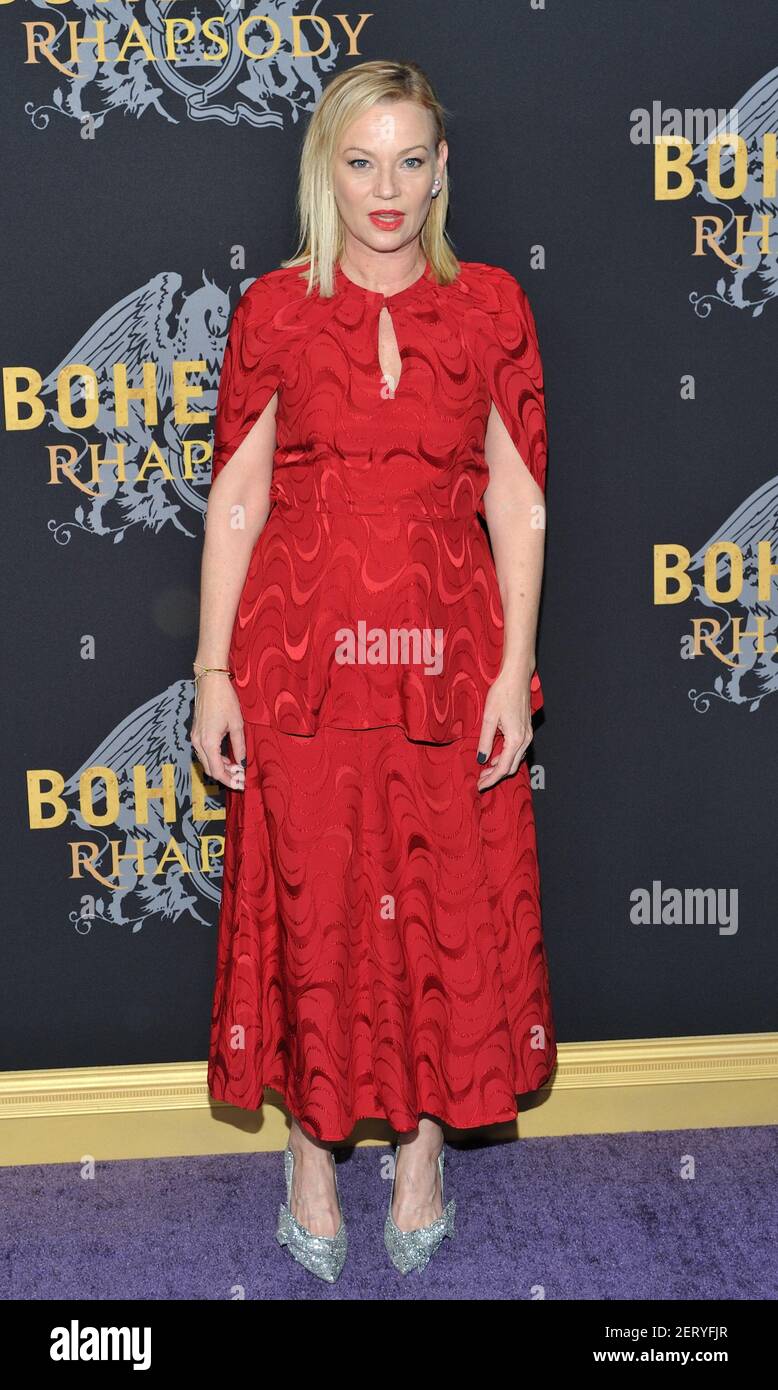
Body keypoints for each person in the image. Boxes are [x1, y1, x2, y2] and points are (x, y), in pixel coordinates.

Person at [193, 58, 557, 1282]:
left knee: (444, 907)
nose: (386, 188)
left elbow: (518, 500)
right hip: (297, 661)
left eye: (410, 159)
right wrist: (210, 669)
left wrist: (513, 670)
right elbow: (237, 495)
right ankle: (310, 1151)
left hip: (445, 662)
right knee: (317, 904)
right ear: (325, 171)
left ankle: (422, 1150)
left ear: (441, 170)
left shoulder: (494, 307)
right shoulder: (275, 310)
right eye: (361, 161)